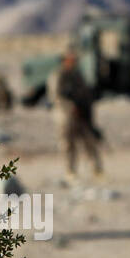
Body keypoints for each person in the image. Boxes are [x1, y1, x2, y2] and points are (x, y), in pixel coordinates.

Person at [46, 46, 103, 180]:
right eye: (71, 59)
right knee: (68, 144)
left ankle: (96, 169)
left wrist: (87, 112)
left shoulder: (77, 75)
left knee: (89, 142)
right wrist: (71, 107)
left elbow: (85, 94)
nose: (74, 62)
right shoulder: (57, 75)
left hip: (81, 115)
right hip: (65, 116)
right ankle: (70, 171)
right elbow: (56, 97)